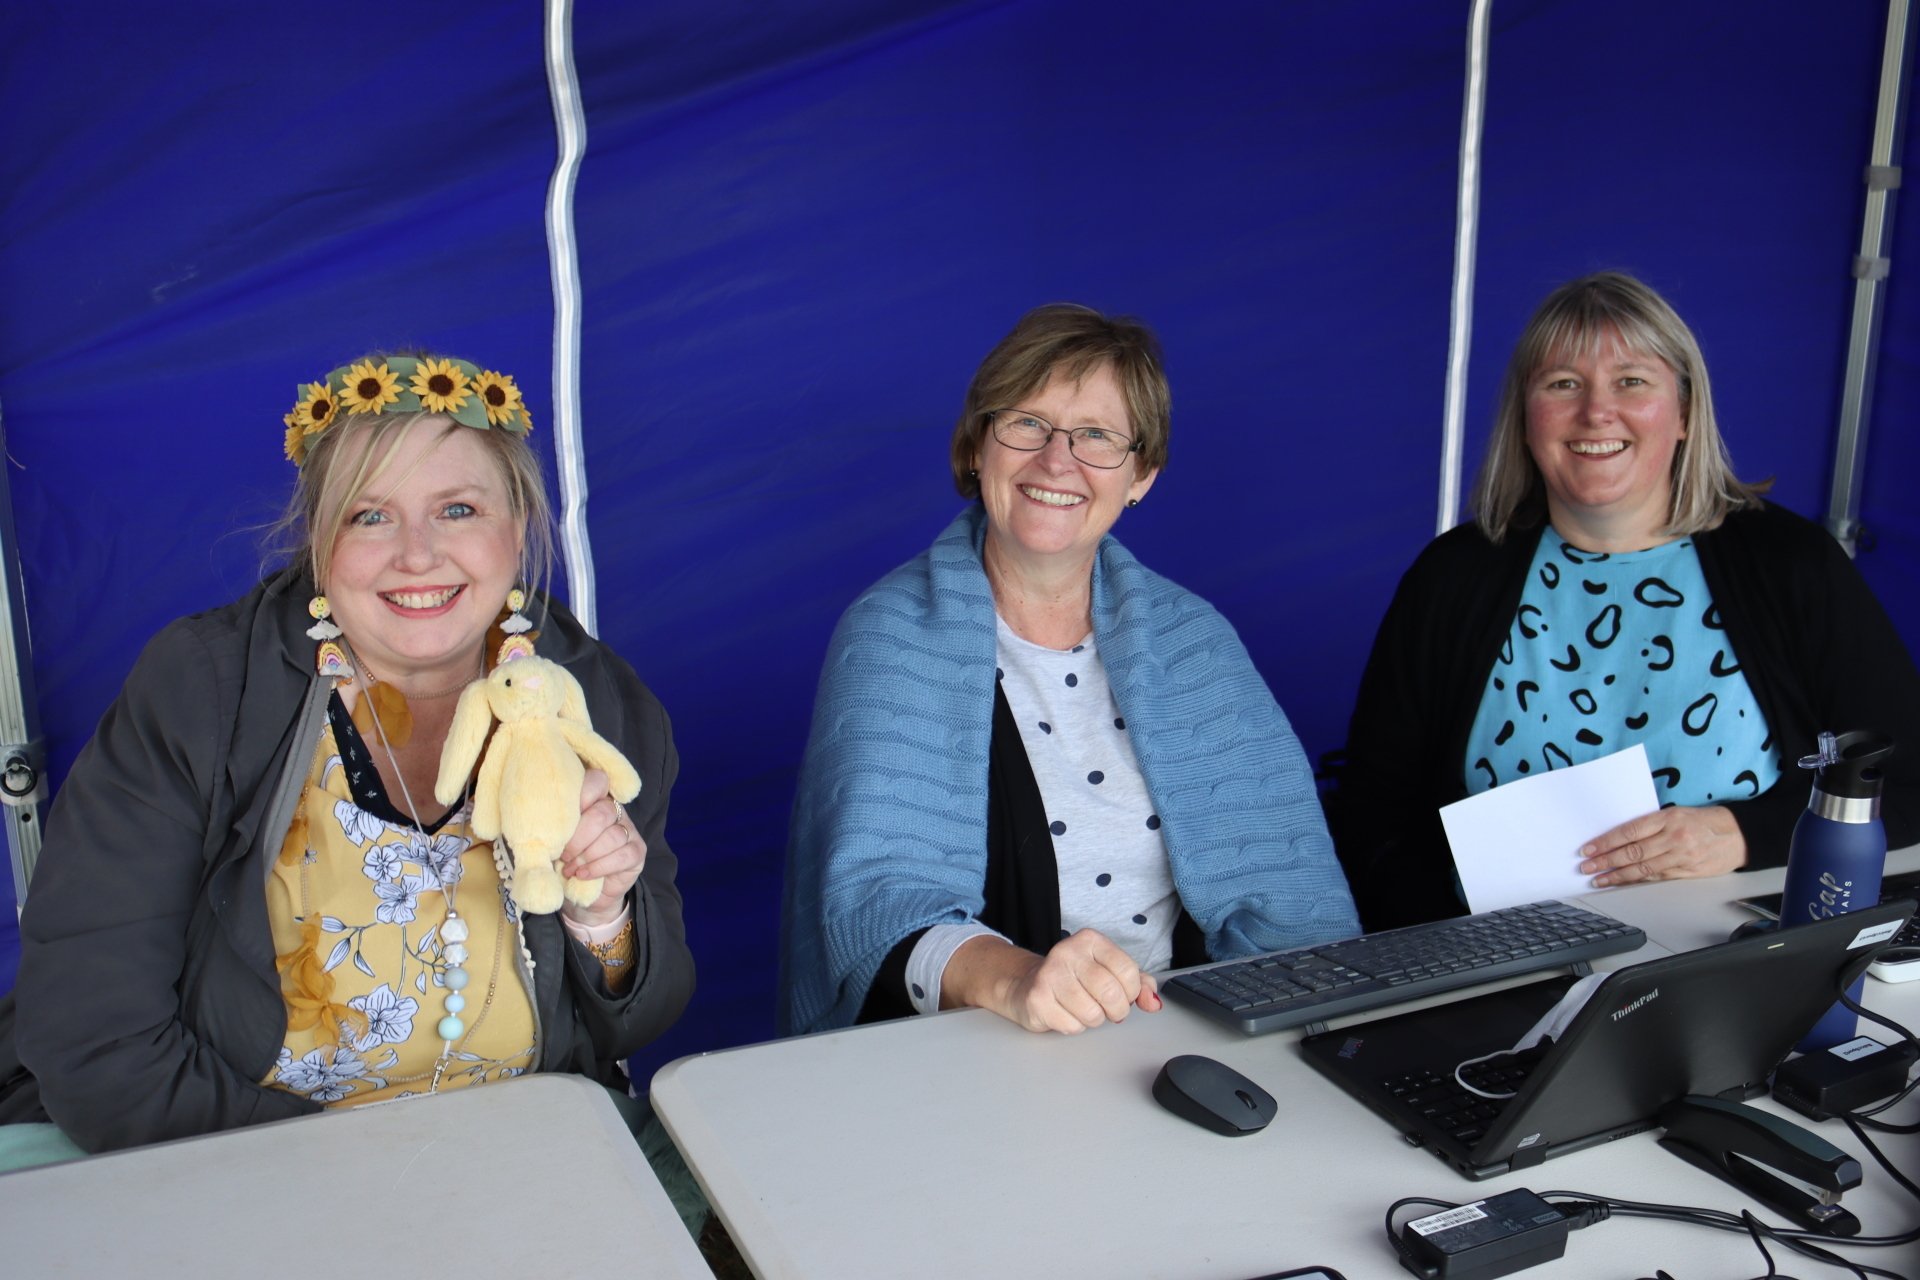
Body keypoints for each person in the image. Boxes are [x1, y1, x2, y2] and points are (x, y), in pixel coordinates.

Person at [0, 353, 693, 1162]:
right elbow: (94, 1040)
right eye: (370, 516)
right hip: (229, 1159)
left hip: (512, 1154)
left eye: (459, 509)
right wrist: (344, 1179)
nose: (418, 555)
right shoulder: (205, 689)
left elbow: (639, 1020)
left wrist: (602, 919)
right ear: (316, 541)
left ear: (519, 528)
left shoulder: (584, 695)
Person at [780, 304, 1359, 1037]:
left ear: (1141, 475)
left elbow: (1292, 906)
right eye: (1028, 423)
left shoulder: (1198, 644)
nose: (1058, 461)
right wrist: (1015, 978)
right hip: (977, 1047)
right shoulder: (891, 636)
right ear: (977, 446)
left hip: (1184, 1034)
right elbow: (876, 904)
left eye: (1096, 436)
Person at [1330, 272, 1920, 931]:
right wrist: (1456, 939)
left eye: (1632, 381)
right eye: (1563, 384)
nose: (1596, 412)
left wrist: (1745, 834)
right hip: (1501, 956)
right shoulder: (1450, 577)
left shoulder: (1791, 564)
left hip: (1732, 954)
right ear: (1525, 418)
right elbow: (1372, 815)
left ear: (1685, 413)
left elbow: (1909, 786)